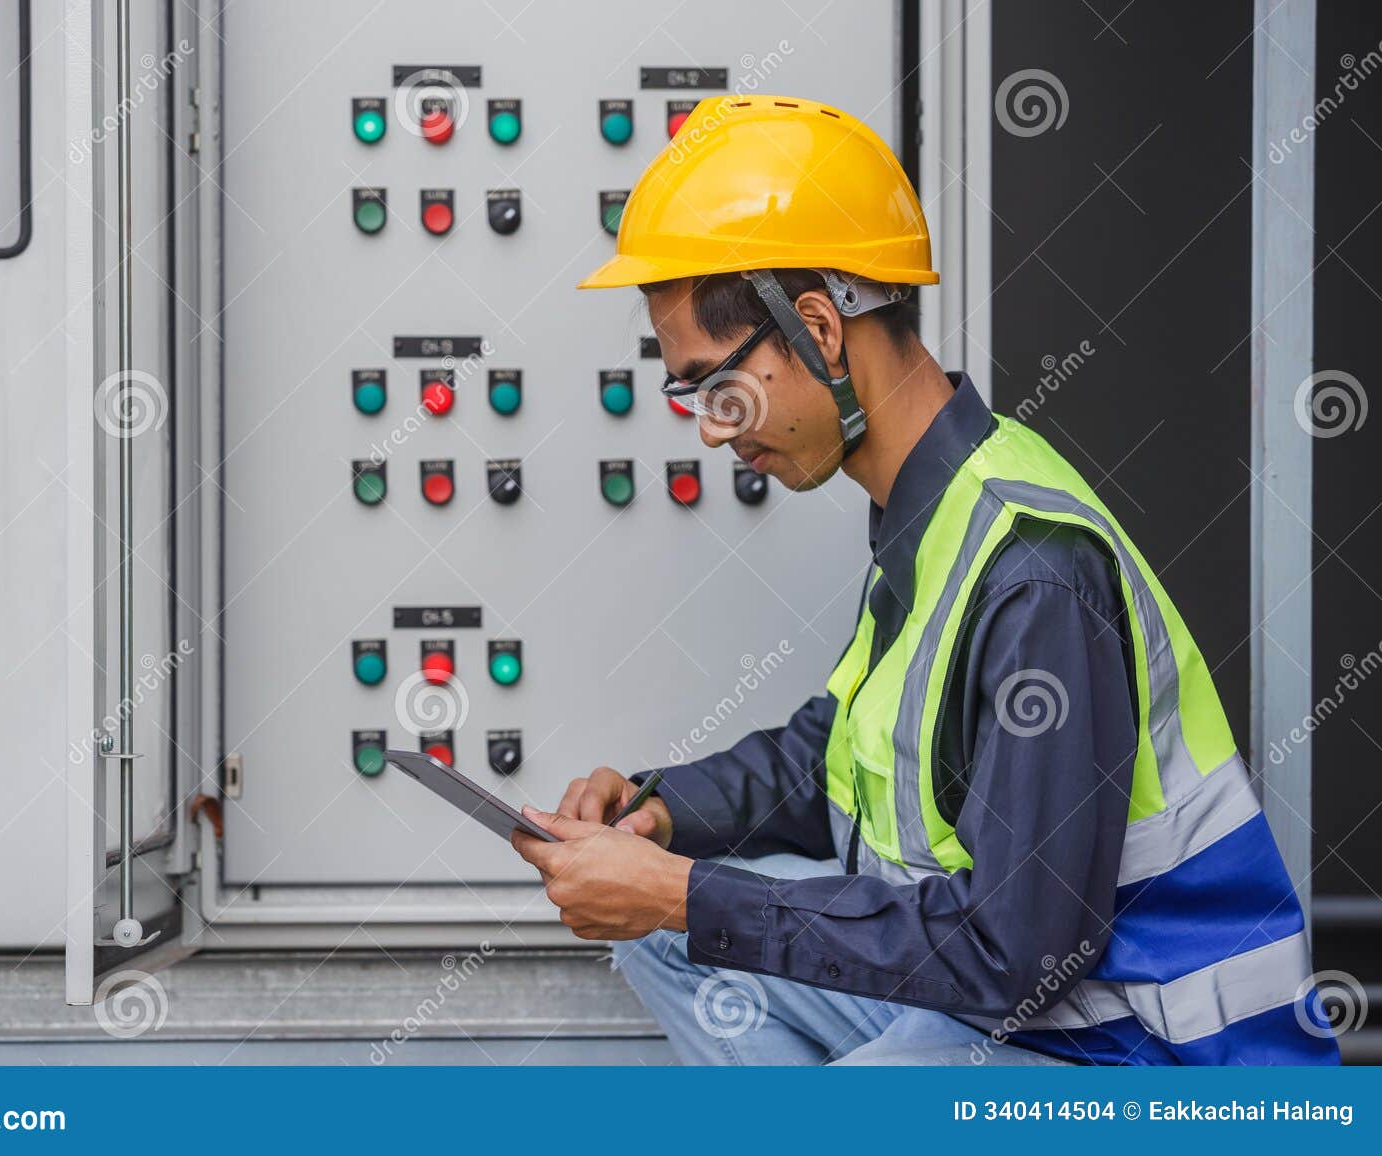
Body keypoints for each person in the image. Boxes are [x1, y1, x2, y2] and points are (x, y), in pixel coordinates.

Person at [511, 95, 1337, 1066]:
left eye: (711, 381)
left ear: (817, 329)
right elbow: (831, 762)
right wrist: (659, 811)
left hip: (1145, 1052)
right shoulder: (932, 514)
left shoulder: (1032, 573)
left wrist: (681, 888)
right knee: (665, 934)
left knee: (716, 940)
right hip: (1016, 1018)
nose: (708, 424)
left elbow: (1013, 952)